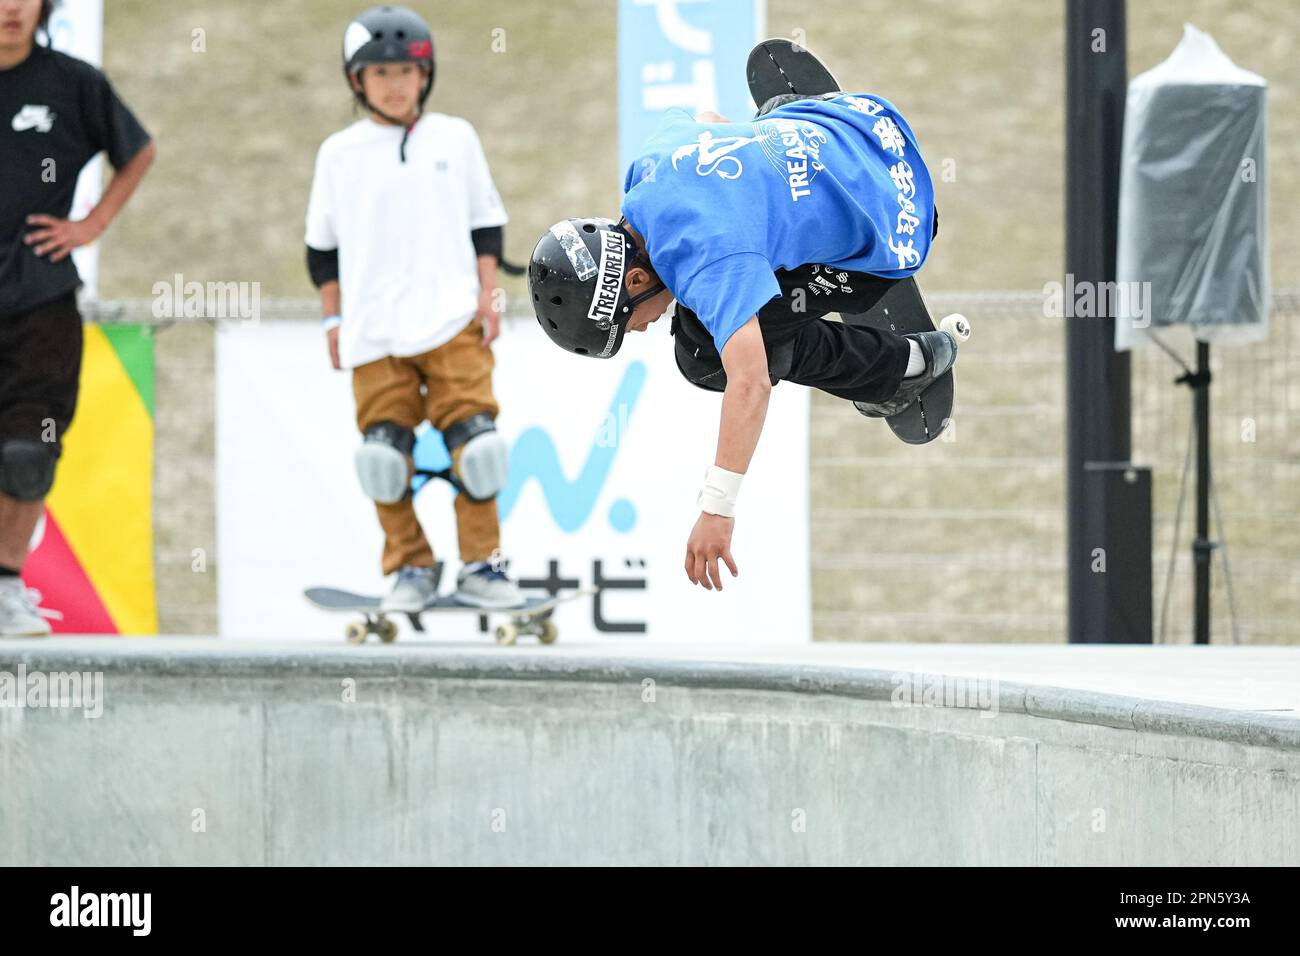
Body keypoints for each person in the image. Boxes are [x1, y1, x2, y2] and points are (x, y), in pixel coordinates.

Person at [528, 83, 955, 594]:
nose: (641, 329)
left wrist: (717, 508)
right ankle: (778, 131)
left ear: (636, 281)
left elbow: (750, 384)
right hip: (864, 122)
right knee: (747, 186)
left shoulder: (706, 261)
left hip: (901, 226)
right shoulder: (648, 168)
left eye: (627, 322)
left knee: (704, 353)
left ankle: (902, 368)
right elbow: (707, 116)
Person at [305, 4, 523, 611]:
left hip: (452, 319)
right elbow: (321, 251)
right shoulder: (338, 154)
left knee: (478, 449)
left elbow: (487, 226)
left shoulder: (455, 137)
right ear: (358, 81)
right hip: (373, 332)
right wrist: (332, 318)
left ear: (425, 75)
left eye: (406, 70)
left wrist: (488, 296)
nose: (395, 83)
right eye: (380, 73)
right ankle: (411, 568)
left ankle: (483, 566)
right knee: (383, 456)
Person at [0, 0, 155, 636]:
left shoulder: (73, 83)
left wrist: (90, 225)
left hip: (40, 300)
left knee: (27, 450)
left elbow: (138, 152)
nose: (10, 7)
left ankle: (7, 586)